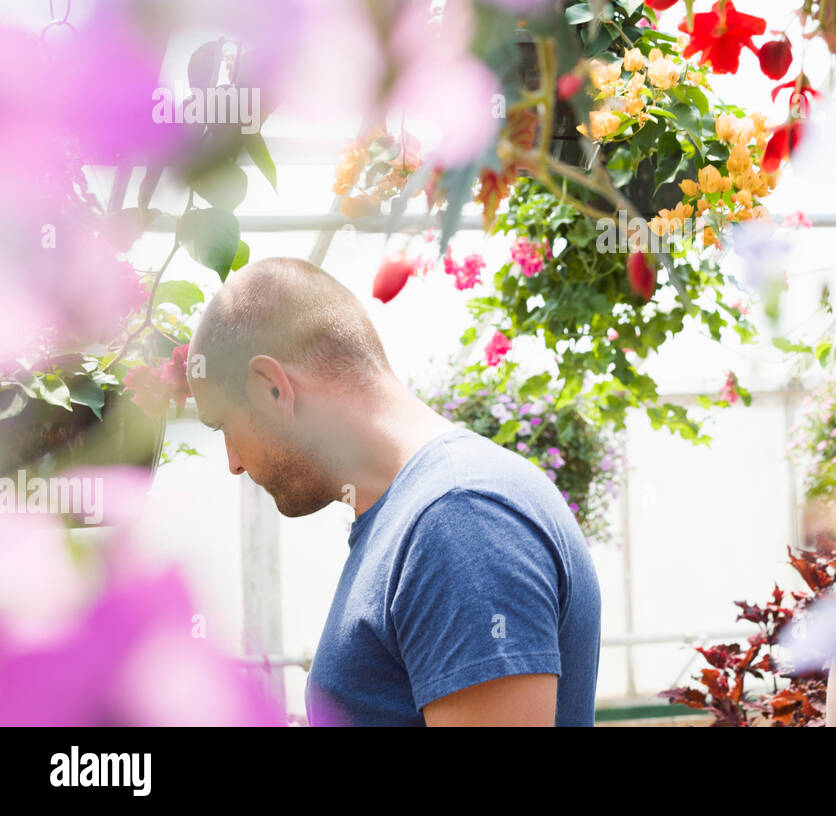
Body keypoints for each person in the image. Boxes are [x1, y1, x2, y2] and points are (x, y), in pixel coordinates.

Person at [186, 257, 601, 726]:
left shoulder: (461, 517)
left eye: (224, 426)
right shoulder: (410, 515)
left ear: (272, 390)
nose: (233, 462)